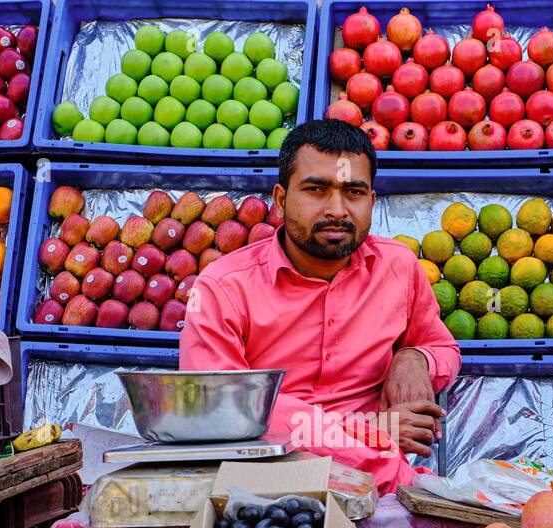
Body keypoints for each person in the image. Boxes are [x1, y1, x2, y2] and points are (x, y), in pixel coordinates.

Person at [179, 119, 461, 496]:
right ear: (281, 200)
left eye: (354, 193)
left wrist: (415, 358)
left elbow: (442, 347)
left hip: (380, 491)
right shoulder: (223, 286)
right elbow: (219, 405)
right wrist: (368, 433)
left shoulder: (398, 267)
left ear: (372, 200)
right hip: (265, 490)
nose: (337, 210)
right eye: (316, 190)